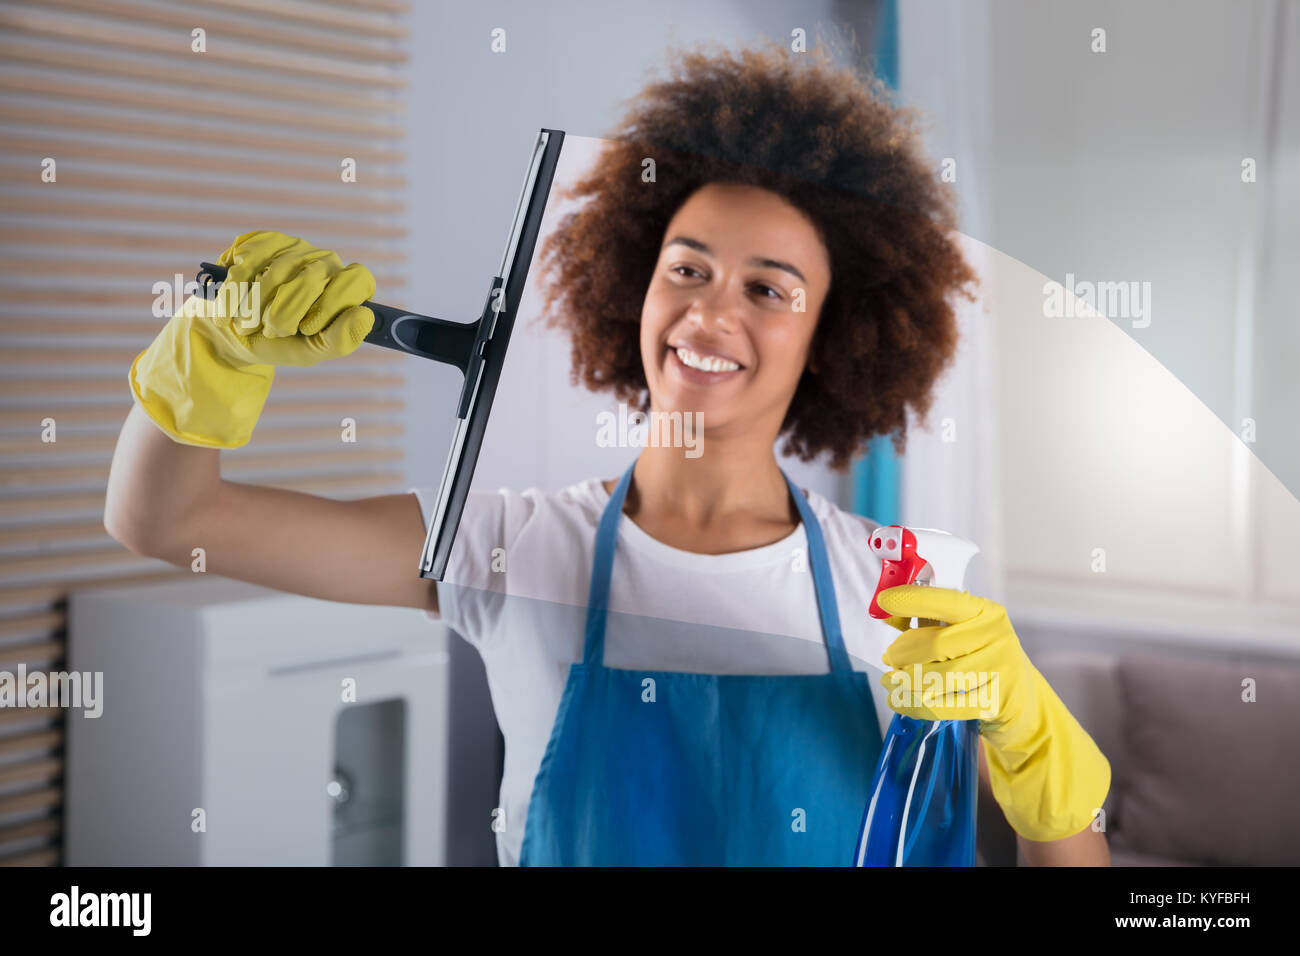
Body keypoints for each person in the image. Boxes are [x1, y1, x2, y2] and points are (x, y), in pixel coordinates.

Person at [105, 40, 1110, 866]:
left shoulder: (907, 588)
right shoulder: (507, 544)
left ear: (831, 340)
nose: (709, 311)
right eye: (686, 268)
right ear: (636, 288)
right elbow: (170, 520)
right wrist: (214, 351)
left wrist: (1039, 756)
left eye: (768, 289)